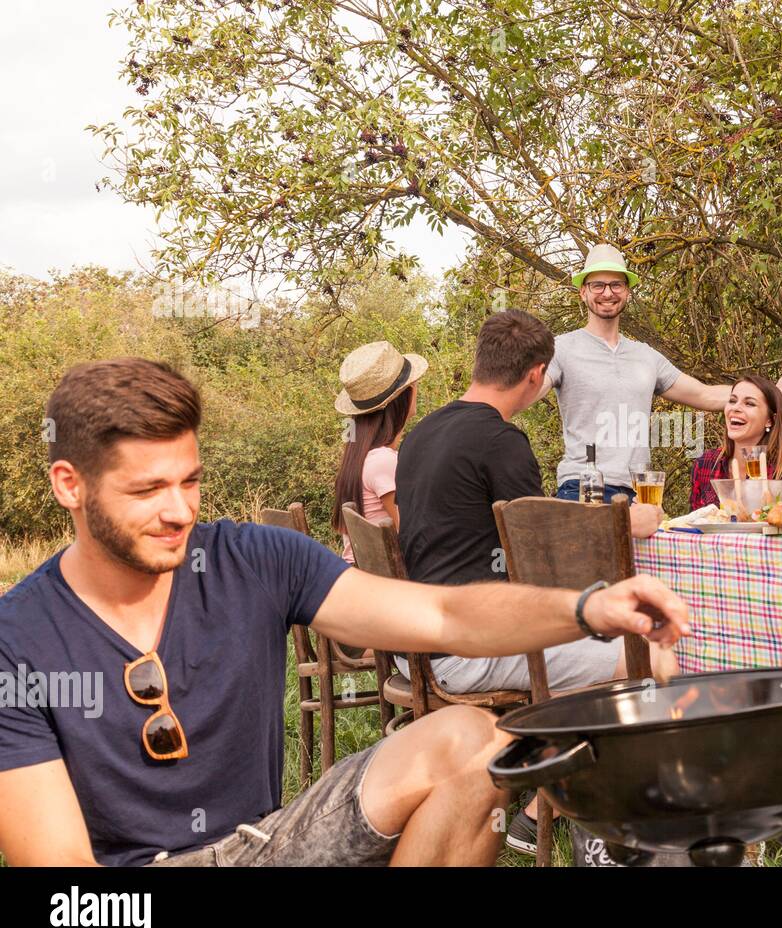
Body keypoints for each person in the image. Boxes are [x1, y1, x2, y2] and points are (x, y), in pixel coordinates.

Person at [0, 358, 689, 867]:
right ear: (70, 485)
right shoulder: (18, 641)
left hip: (262, 847)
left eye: (190, 481)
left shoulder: (253, 560)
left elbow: (444, 618)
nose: (180, 511)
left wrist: (588, 607)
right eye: (148, 489)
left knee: (469, 739)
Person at [395, 309, 671, 855]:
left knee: (601, 652)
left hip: (416, 642)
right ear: (536, 375)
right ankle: (591, 826)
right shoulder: (503, 443)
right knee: (648, 657)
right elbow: (541, 567)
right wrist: (620, 522)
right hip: (464, 648)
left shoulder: (421, 434)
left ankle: (549, 794)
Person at [540, 244, 782, 501]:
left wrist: (773, 392)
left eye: (616, 284)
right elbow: (529, 388)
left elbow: (704, 394)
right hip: (582, 486)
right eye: (597, 285)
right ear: (583, 291)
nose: (607, 293)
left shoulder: (646, 356)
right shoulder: (561, 348)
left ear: (626, 291)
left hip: (635, 492)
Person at [331, 340, 424, 563]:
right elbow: (414, 535)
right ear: (404, 396)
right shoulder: (383, 461)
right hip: (385, 583)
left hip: (363, 577)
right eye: (413, 385)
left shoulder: (360, 457)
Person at [689, 375, 782, 511]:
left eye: (749, 403)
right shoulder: (705, 463)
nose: (735, 408)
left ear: (769, 420)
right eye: (732, 401)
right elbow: (693, 523)